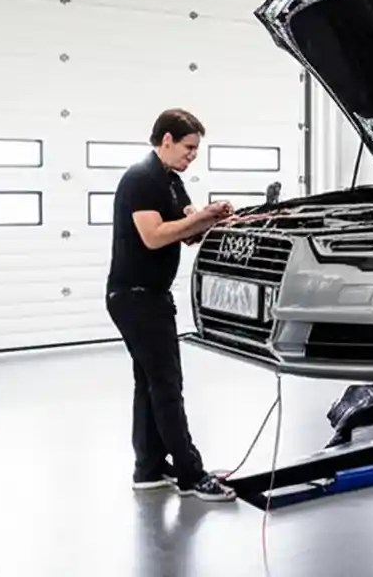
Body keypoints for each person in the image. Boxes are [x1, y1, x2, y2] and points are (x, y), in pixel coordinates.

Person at [105, 108, 236, 501]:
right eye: (189, 147)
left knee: (148, 383)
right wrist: (201, 218)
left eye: (196, 149)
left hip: (149, 296)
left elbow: (188, 232)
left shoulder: (171, 182)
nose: (193, 155)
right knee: (166, 385)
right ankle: (190, 474)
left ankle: (148, 467)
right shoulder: (141, 179)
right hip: (135, 298)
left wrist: (214, 219)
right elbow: (154, 236)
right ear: (166, 140)